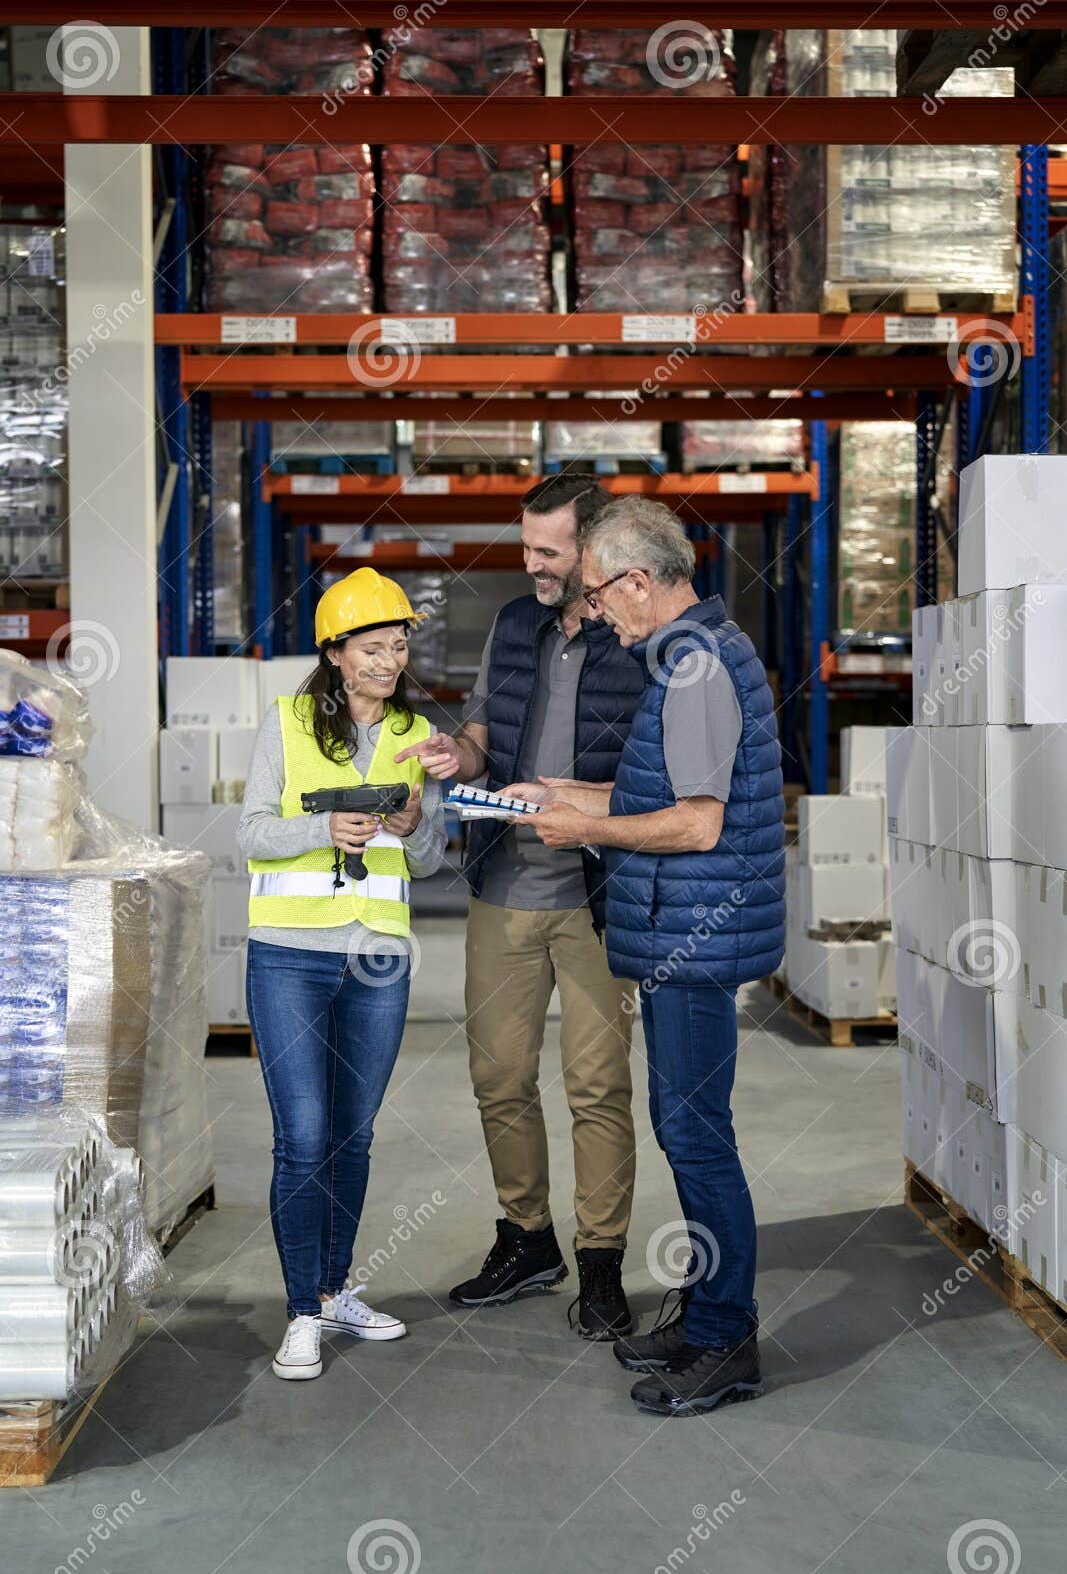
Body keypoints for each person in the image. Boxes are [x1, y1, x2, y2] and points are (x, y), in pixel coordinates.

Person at [531, 495, 786, 1415]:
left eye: (600, 595)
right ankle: (708, 1309)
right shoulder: (690, 657)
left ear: (639, 582)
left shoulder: (692, 669)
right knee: (689, 1129)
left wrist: (585, 827)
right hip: (685, 928)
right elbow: (670, 784)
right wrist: (571, 792)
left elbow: (693, 821)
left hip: (694, 935)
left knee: (695, 1136)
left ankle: (726, 1340)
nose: (597, 612)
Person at [395, 473, 645, 1340]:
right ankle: (527, 1237)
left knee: (596, 1085)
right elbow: (482, 734)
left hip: (594, 897)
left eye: (548, 550)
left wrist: (590, 809)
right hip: (502, 886)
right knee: (498, 1078)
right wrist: (454, 758)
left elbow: (662, 779)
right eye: (525, 545)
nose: (530, 563)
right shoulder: (512, 625)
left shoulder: (637, 636)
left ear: (596, 549)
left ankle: (603, 1262)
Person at [237, 568, 446, 1382]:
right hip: (288, 954)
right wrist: (323, 824)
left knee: (353, 1136)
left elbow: (425, 862)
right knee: (304, 1137)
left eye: (397, 646)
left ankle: (331, 1290)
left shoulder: (414, 732)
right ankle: (299, 1314)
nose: (387, 661)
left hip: (378, 960)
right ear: (333, 652)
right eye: (370, 648)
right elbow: (252, 831)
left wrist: (416, 819)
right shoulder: (287, 721)